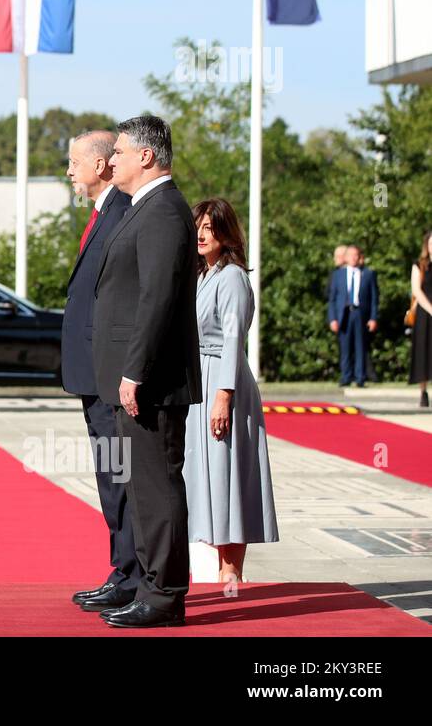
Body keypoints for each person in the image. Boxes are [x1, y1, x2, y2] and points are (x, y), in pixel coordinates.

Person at [92, 115, 201, 629]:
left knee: (156, 488)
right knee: (140, 488)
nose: (110, 160)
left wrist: (135, 370)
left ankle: (165, 596)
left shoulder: (162, 211)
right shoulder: (144, 207)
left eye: (118, 151)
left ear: (146, 156)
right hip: (136, 379)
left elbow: (156, 299)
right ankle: (148, 586)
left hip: (151, 382)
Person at [61, 131, 137, 613]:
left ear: (102, 164)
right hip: (94, 372)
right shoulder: (103, 213)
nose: (69, 171)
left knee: (121, 477)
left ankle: (132, 576)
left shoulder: (124, 213)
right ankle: (122, 571)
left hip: (111, 372)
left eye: (74, 162)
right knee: (110, 477)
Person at [187, 199, 279, 582]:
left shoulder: (232, 278)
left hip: (224, 381)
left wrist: (223, 396)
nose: (201, 234)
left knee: (228, 472)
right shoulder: (202, 274)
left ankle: (231, 573)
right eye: (197, 226)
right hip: (200, 380)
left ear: (225, 233)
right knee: (209, 475)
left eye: (209, 227)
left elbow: (232, 339)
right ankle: (222, 570)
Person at [328, 244, 378, 388]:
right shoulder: (338, 275)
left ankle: (360, 377)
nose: (353, 258)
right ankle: (346, 376)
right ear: (346, 257)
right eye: (350, 255)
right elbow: (332, 299)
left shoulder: (368, 274)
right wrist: (332, 318)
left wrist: (373, 317)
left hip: (360, 313)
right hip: (344, 314)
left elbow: (374, 299)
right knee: (345, 347)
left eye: (356, 255)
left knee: (360, 346)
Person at [409, 230, 432, 408]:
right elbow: (416, 290)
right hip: (425, 313)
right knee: (423, 351)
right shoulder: (420, 265)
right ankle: (423, 391)